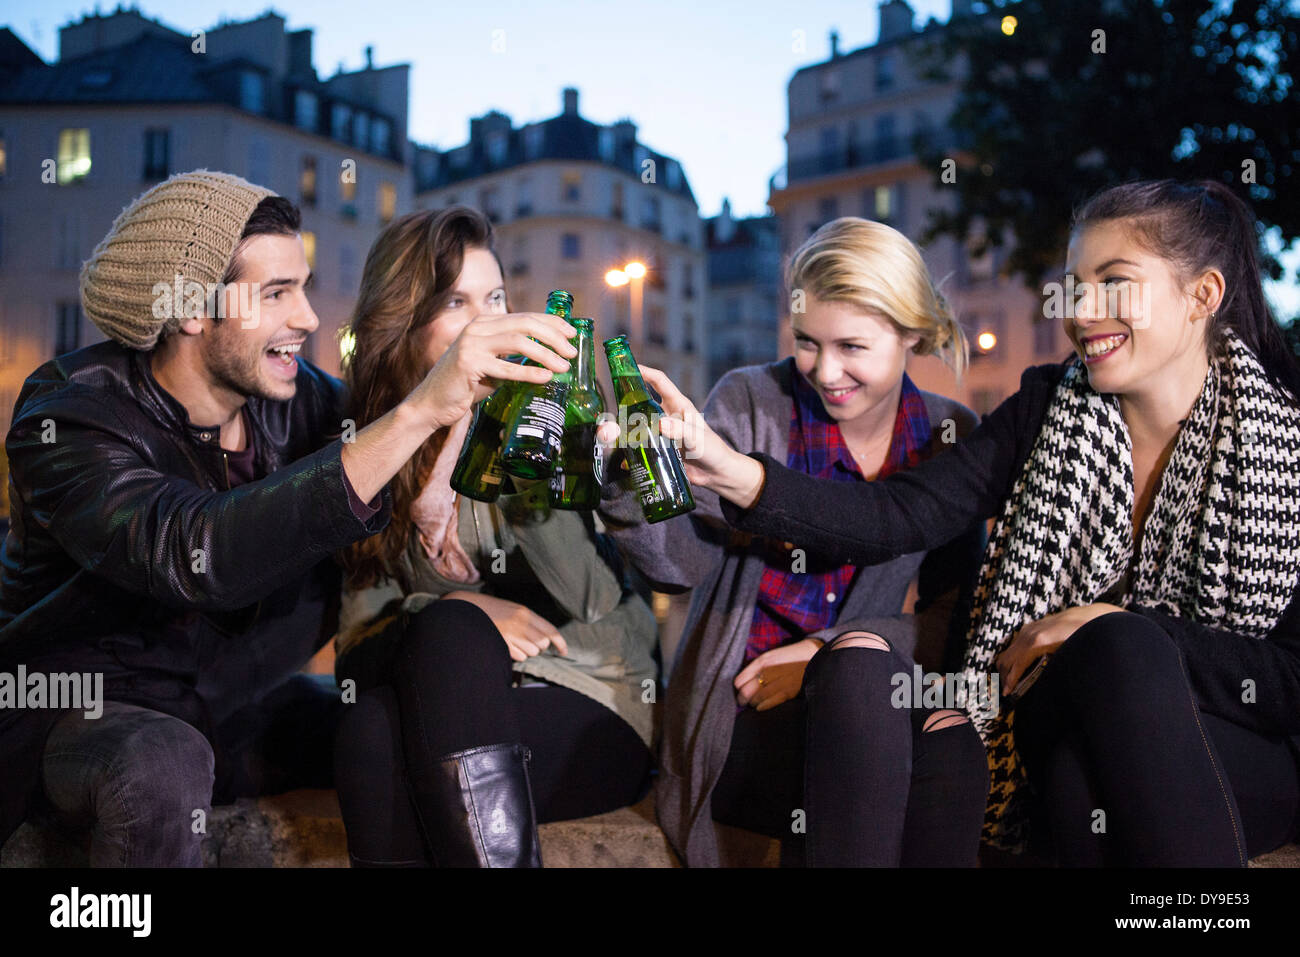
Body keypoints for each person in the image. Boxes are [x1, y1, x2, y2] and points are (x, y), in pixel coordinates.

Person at [647, 179, 1300, 866]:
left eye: (1114, 283)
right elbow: (897, 513)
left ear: (1203, 295)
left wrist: (1115, 625)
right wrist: (736, 473)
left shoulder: (1283, 446)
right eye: (1073, 285)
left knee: (1116, 663)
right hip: (1053, 726)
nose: (1081, 310)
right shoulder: (1045, 408)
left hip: (1232, 741)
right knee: (1075, 782)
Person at [0, 171, 575, 865]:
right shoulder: (70, 412)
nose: (306, 318)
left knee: (388, 730)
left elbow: (381, 495)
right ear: (189, 308)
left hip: (237, 708)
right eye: (276, 293)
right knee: (161, 763)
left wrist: (441, 538)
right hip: (81, 712)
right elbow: (197, 551)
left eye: (302, 286)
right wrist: (423, 407)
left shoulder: (305, 404)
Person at [598, 217, 990, 866]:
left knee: (943, 741)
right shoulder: (753, 399)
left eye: (852, 347)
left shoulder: (951, 431)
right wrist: (623, 483)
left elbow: (956, 617)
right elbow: (682, 564)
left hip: (869, 694)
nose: (825, 371)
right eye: (807, 342)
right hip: (739, 714)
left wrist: (827, 652)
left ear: (911, 334)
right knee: (896, 749)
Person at [330, 206, 657, 868]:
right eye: (457, 301)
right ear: (406, 318)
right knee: (367, 728)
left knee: (440, 653)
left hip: (590, 691)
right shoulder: (378, 443)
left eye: (498, 297)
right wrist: (458, 607)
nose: (488, 322)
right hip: (454, 706)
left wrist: (524, 450)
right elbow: (356, 655)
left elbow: (589, 599)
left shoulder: (543, 411)